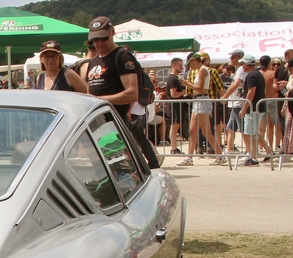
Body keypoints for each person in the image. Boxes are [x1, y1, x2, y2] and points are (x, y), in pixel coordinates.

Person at [74, 16, 159, 168]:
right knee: (100, 167)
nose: (100, 43)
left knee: (117, 167)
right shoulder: (94, 60)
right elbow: (90, 90)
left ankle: (150, 165)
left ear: (112, 32)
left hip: (113, 123)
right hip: (96, 122)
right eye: (95, 40)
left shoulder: (122, 57)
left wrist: (100, 100)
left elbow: (132, 93)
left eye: (104, 38)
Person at [177, 53, 223, 165]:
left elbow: (200, 88)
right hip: (197, 100)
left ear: (195, 60)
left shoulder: (203, 70)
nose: (189, 66)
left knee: (206, 132)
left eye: (190, 63)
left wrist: (187, 83)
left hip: (202, 100)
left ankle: (220, 156)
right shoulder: (198, 71)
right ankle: (189, 158)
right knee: (192, 131)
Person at [240, 55, 266, 166]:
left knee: (249, 133)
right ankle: (267, 151)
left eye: (242, 64)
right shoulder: (258, 74)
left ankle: (253, 157)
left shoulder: (251, 75)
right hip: (257, 107)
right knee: (252, 132)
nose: (242, 66)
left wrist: (244, 108)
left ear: (246, 64)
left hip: (254, 108)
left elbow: (251, 92)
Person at [165, 57, 187, 154]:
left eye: (182, 65)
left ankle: (174, 148)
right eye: (179, 65)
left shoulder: (176, 78)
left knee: (176, 126)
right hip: (174, 105)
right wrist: (184, 92)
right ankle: (173, 148)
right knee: (174, 126)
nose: (181, 67)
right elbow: (173, 94)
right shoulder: (172, 79)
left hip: (178, 105)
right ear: (173, 65)